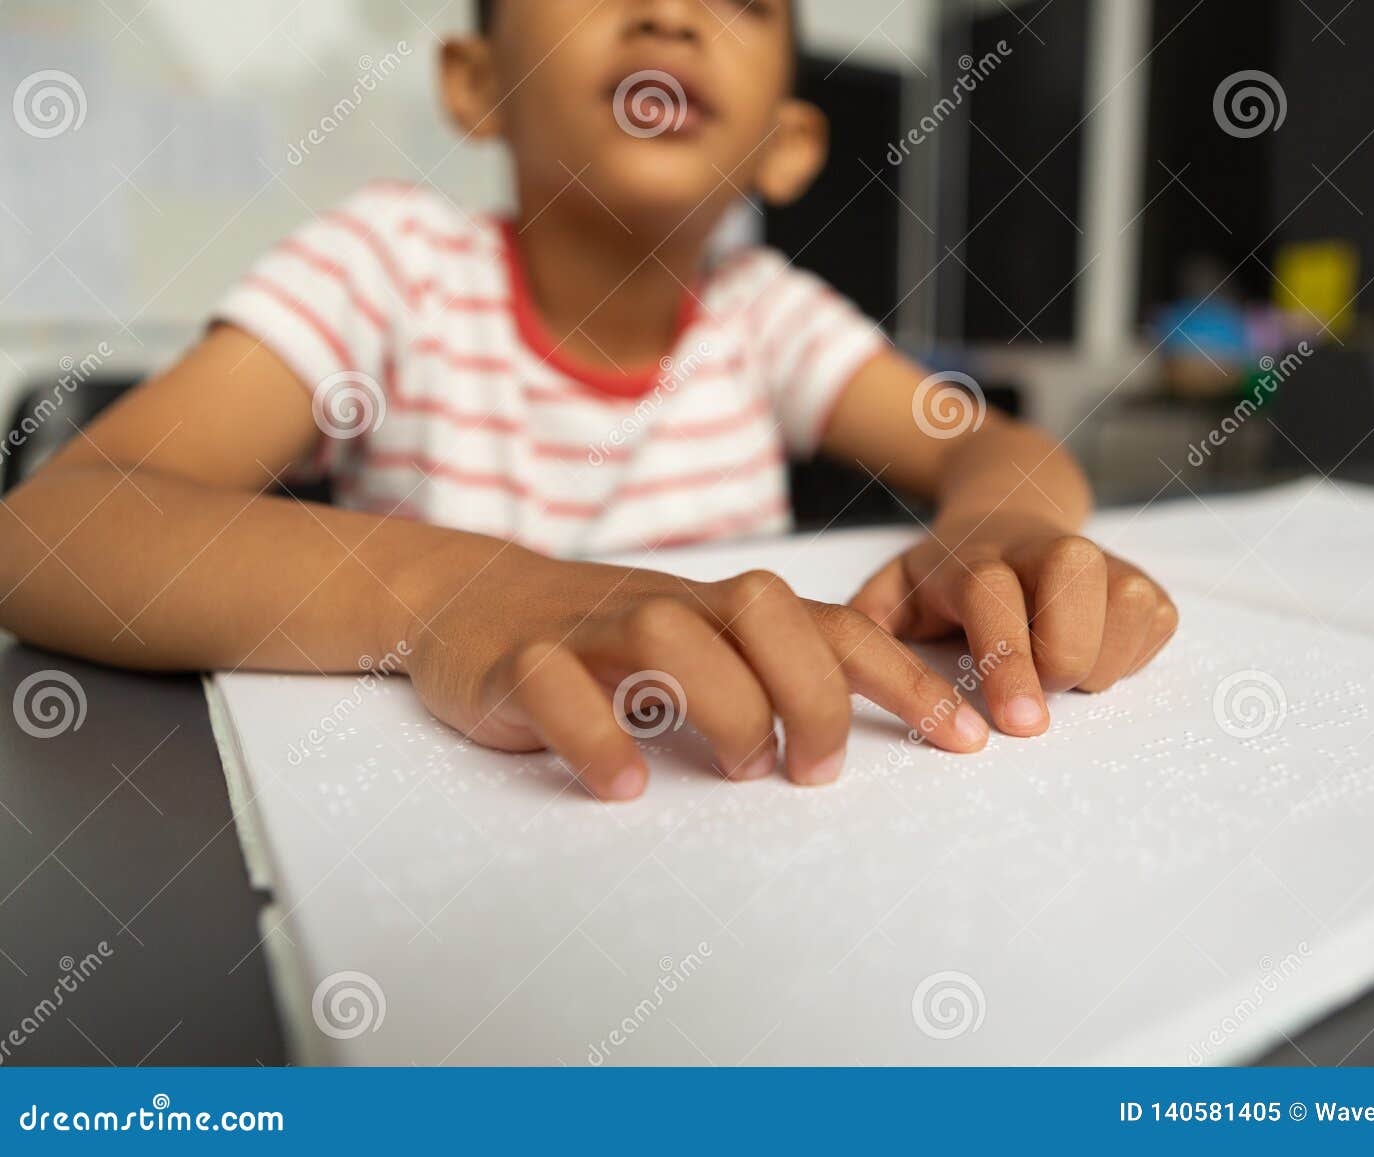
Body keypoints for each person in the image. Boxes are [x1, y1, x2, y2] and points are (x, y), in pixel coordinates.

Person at [0, 0, 1178, 801]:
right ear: (476, 83)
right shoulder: (387, 269)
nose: (671, 11)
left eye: (742, 1)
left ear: (786, 143)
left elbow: (999, 447)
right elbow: (53, 527)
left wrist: (1000, 530)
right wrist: (454, 591)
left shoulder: (764, 311)